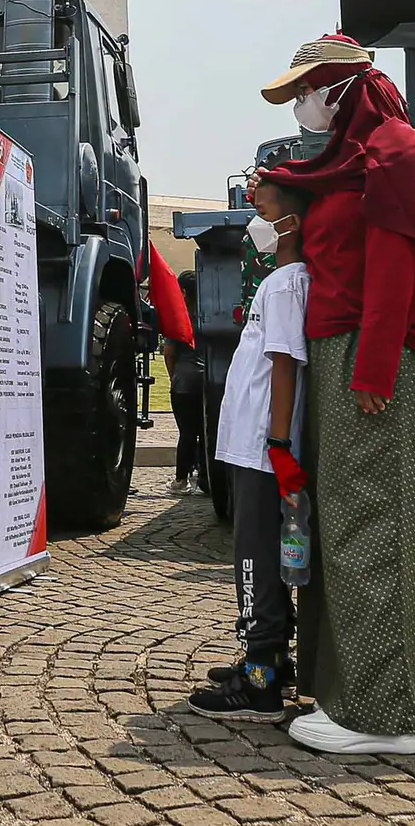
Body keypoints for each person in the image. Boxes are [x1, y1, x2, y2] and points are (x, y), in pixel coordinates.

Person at [256, 35, 415, 757]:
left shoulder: (391, 149)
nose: (299, 104)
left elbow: (397, 265)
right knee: (406, 522)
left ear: (337, 87)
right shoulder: (358, 158)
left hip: (371, 352)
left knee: (369, 521)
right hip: (358, 349)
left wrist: (374, 369)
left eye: (305, 89)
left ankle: (379, 715)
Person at [186, 178, 311, 720]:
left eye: (262, 210)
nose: (253, 220)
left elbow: (284, 363)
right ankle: (274, 660)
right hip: (257, 446)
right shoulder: (285, 281)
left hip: (263, 448)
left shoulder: (286, 284)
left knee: (255, 561)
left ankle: (259, 678)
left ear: (292, 223)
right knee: (264, 557)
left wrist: (280, 444)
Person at [145, 244, 201, 496]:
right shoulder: (207, 316)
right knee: (205, 432)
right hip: (206, 381)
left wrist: (173, 377)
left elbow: (169, 353)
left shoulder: (179, 319)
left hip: (184, 382)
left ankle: (181, 480)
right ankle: (205, 477)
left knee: (186, 433)